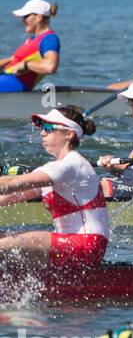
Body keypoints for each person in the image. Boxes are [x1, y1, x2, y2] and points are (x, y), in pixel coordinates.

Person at [0, 107, 108, 270]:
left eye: (49, 128)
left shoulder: (72, 164)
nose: (42, 133)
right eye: (42, 128)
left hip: (86, 246)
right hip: (67, 242)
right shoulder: (53, 169)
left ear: (69, 134)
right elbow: (7, 196)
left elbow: (14, 182)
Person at [0, 0, 60, 92]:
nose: (22, 20)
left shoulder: (50, 38)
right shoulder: (31, 40)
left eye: (25, 16)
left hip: (13, 87)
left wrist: (26, 65)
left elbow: (50, 67)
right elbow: (13, 59)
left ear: (39, 17)